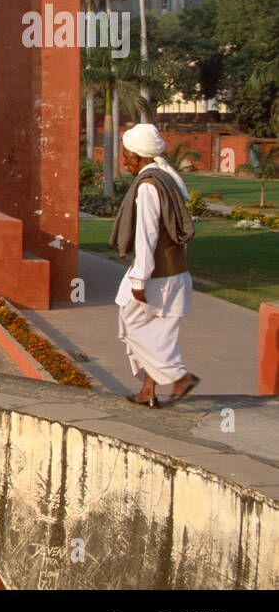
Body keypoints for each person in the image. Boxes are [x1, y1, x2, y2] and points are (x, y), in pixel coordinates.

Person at [110, 123, 199, 408]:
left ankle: (179, 377)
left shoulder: (148, 186)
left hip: (157, 275)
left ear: (137, 155)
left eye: (126, 155)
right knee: (158, 332)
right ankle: (148, 391)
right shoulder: (165, 178)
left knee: (131, 324)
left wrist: (139, 280)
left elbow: (146, 235)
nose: (124, 160)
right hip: (175, 272)